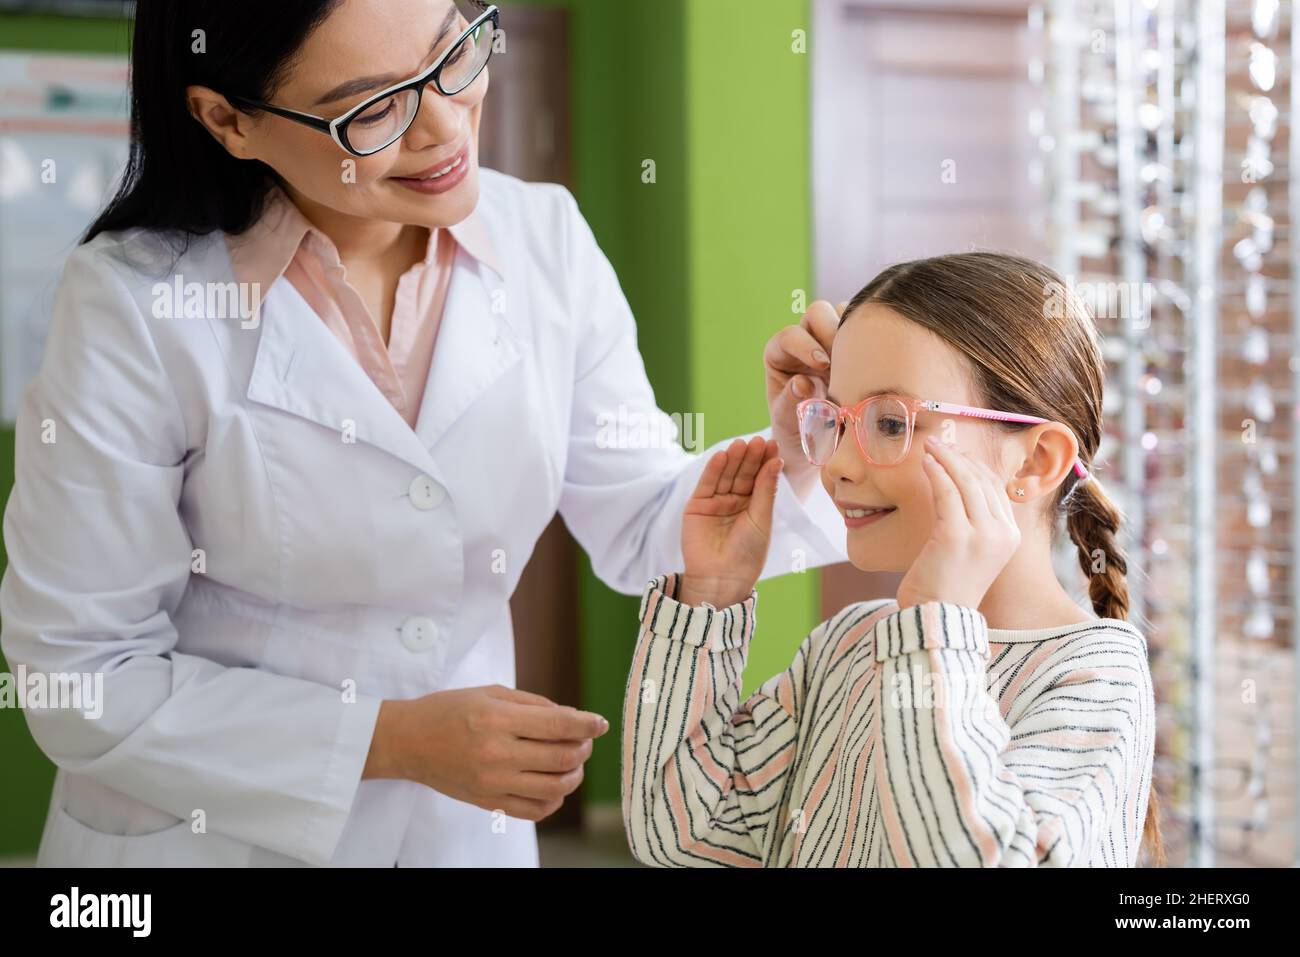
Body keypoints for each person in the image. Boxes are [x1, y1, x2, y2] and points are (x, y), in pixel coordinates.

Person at [0, 0, 846, 867]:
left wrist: (804, 449)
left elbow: (644, 518)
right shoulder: (135, 304)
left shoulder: (545, 240)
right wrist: (395, 740)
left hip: (459, 840)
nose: (446, 124)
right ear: (228, 119)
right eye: (373, 107)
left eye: (454, 53)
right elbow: (84, 673)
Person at [622, 252, 1164, 867]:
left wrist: (933, 632)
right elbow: (684, 833)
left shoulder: (1096, 676)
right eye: (836, 420)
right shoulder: (849, 644)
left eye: (888, 422)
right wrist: (710, 595)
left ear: (1035, 461)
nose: (838, 465)